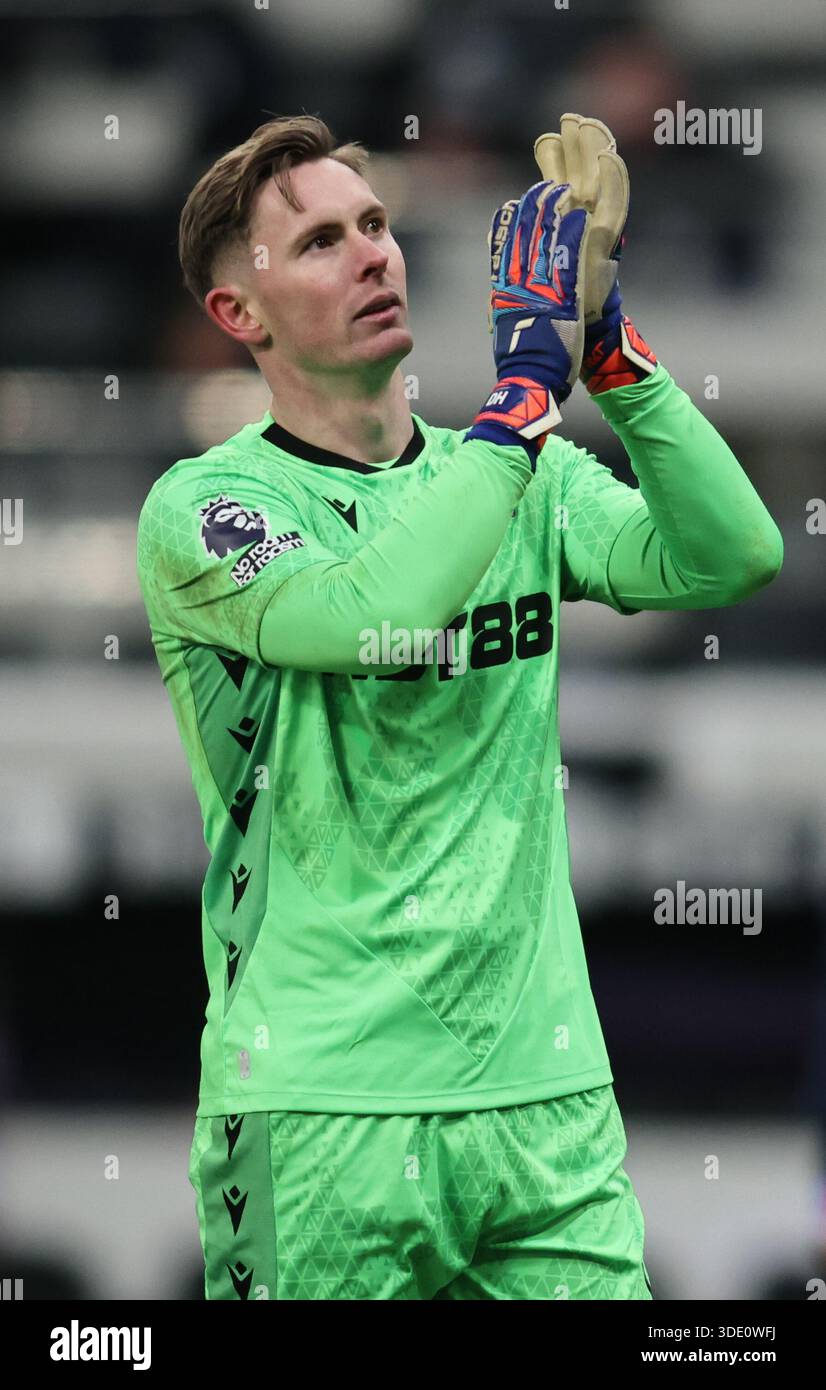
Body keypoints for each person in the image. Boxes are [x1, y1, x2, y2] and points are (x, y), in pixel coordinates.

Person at [136, 113, 783, 1300]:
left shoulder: (512, 473)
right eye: (323, 241)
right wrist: (523, 406)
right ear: (241, 315)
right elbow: (369, 616)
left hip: (546, 1105)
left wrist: (609, 360)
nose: (375, 254)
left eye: (376, 224)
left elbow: (730, 556)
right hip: (322, 1108)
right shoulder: (208, 507)